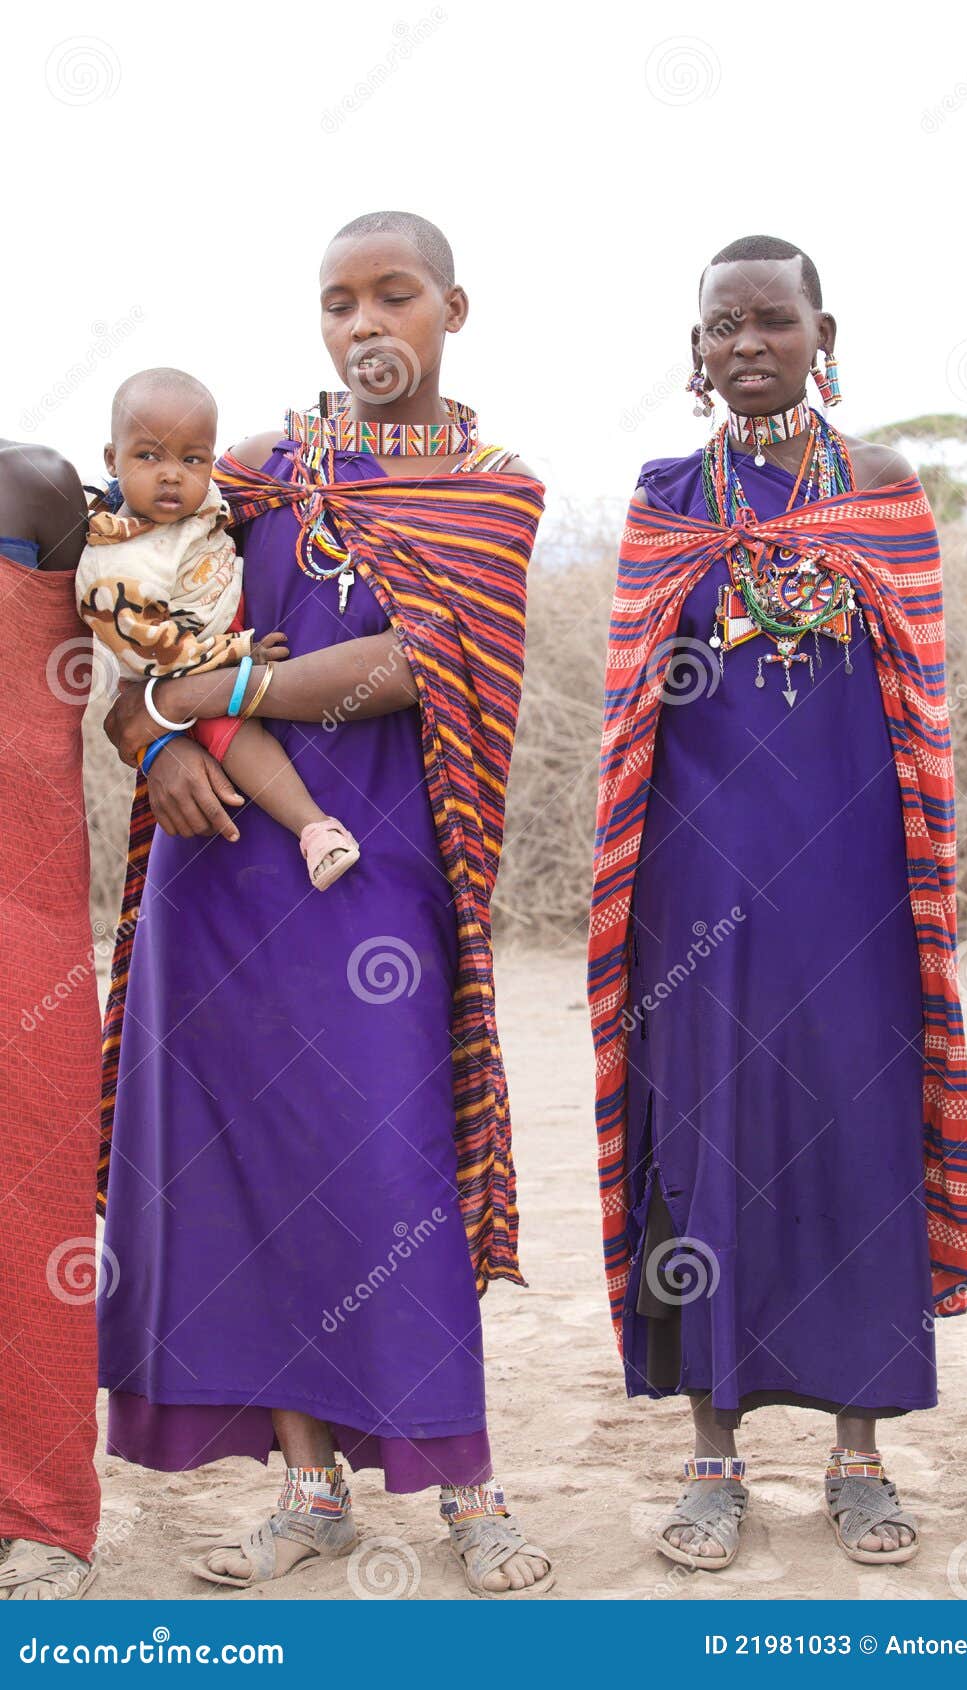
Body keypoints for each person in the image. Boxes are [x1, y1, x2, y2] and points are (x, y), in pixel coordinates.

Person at [96, 210, 554, 1596]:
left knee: (393, 1168)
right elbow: (133, 647)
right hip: (219, 870)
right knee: (250, 1171)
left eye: (392, 296)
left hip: (372, 874)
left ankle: (463, 1488)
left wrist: (215, 693)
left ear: (450, 310)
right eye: (337, 301)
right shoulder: (244, 472)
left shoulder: (490, 490)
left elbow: (419, 663)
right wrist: (160, 736)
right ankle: (311, 1487)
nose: (364, 323)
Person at [588, 235, 967, 1572]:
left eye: (771, 320)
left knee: (854, 1132)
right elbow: (636, 692)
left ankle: (857, 1457)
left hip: (852, 874)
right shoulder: (662, 498)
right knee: (701, 1137)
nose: (745, 343)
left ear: (823, 330)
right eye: (721, 325)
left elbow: (917, 695)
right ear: (692, 347)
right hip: (692, 874)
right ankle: (712, 1459)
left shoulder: (876, 489)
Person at [77, 369, 360, 891]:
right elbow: (154, 657)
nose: (171, 475)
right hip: (180, 664)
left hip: (223, 625)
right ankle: (314, 829)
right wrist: (237, 650)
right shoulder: (113, 567)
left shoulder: (203, 502)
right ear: (111, 460)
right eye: (148, 456)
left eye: (192, 459)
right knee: (231, 733)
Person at [0, 439, 101, 1598]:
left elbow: (145, 621)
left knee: (29, 1200)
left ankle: (41, 1516)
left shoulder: (31, 487)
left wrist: (173, 728)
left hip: (21, 910)